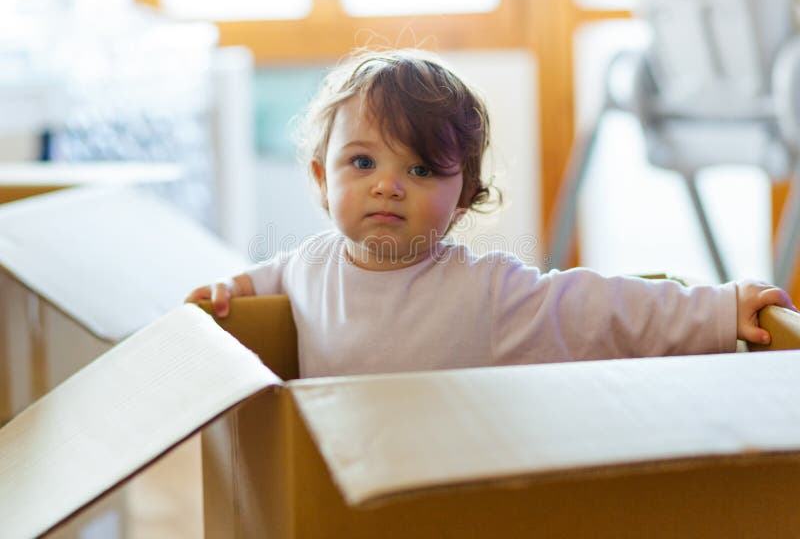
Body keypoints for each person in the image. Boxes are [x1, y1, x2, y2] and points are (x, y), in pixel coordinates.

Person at [186, 48, 796, 378]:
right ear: (323, 178)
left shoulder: (487, 291)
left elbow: (603, 308)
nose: (389, 187)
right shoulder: (303, 266)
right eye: (363, 163)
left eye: (420, 169)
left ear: (464, 198)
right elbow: (253, 285)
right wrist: (225, 291)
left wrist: (718, 309)